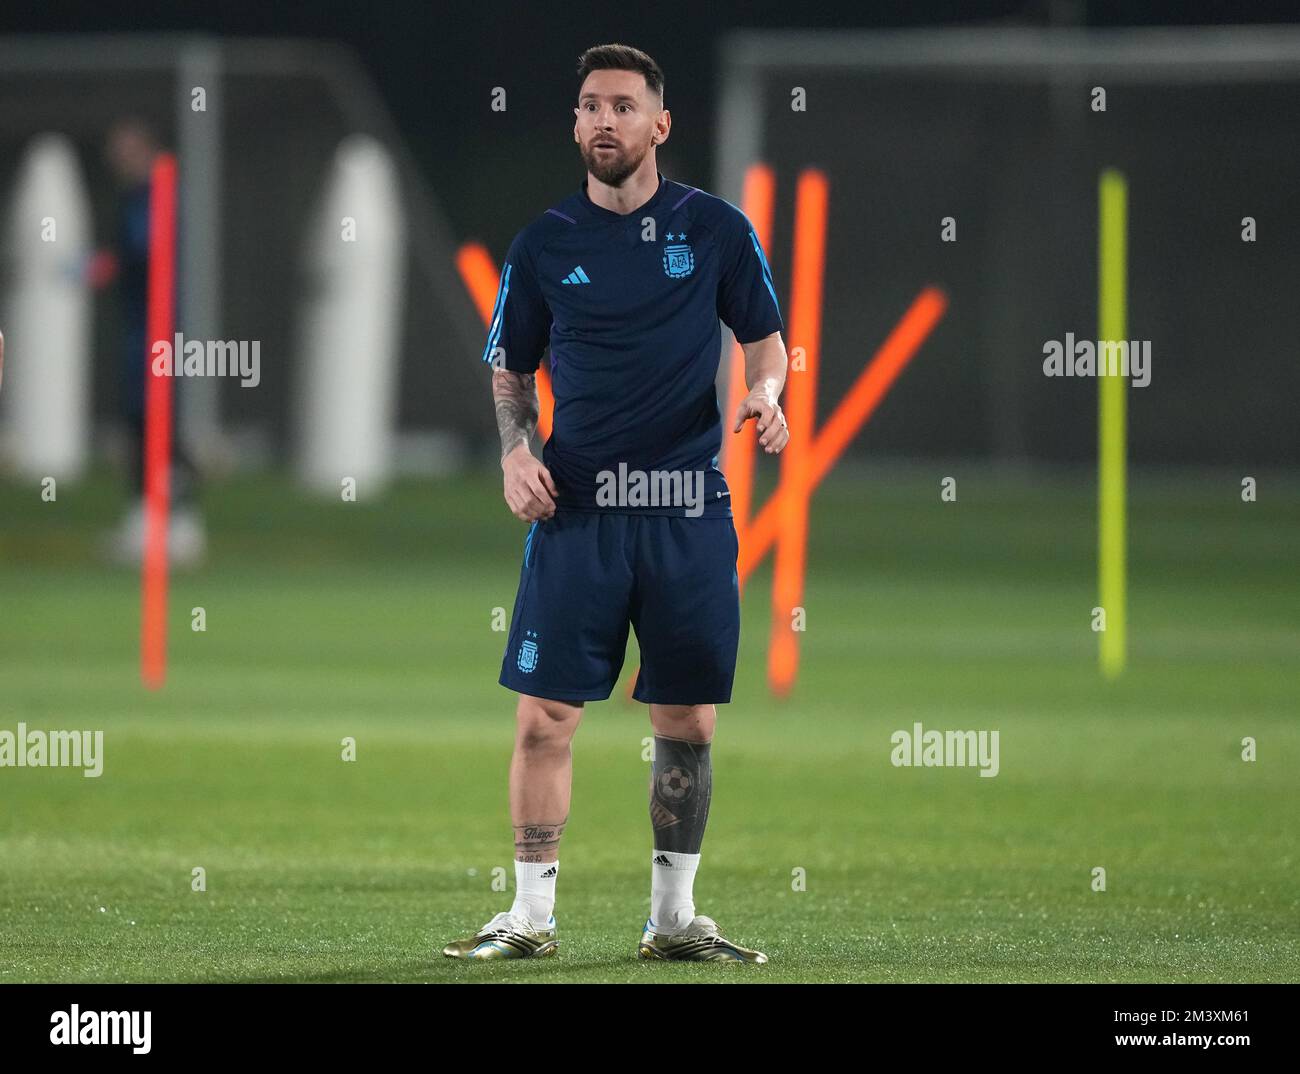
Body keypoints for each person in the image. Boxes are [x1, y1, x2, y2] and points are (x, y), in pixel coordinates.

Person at [443, 44, 789, 963]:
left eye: (623, 107)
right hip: (578, 512)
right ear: (575, 124)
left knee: (687, 724)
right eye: (589, 106)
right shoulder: (545, 242)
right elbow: (510, 371)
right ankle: (529, 919)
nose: (604, 120)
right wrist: (516, 454)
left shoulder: (714, 229)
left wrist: (769, 395)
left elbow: (766, 339)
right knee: (543, 718)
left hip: (686, 511)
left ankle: (673, 921)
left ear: (659, 126)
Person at [96, 117, 206, 568]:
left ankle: (177, 523)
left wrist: (108, 264)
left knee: (161, 428)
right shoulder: (136, 198)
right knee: (142, 427)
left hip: (160, 335)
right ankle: (150, 521)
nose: (116, 160)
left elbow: (145, 250)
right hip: (141, 335)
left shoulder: (160, 192)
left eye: (124, 149)